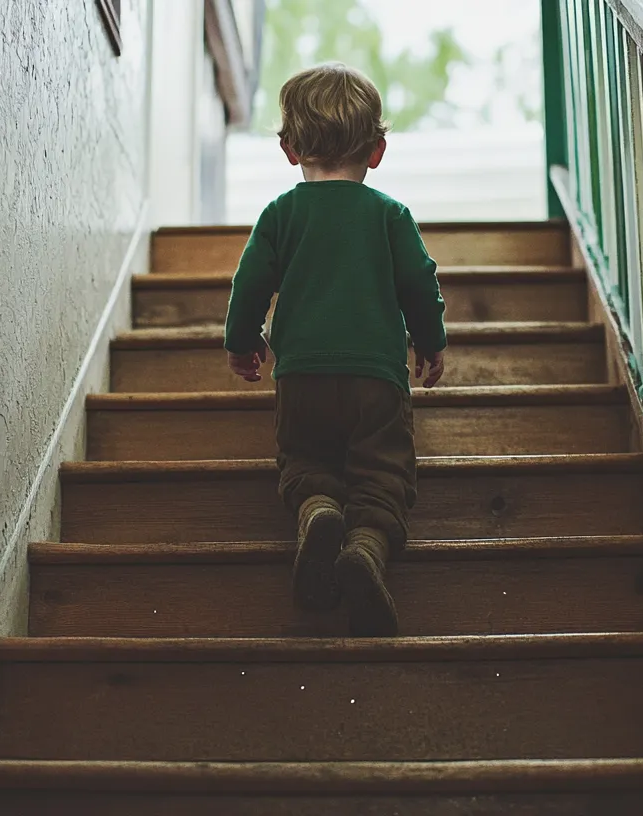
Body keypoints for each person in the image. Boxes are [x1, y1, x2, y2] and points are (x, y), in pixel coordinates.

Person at [223, 63, 447, 637]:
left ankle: (317, 508)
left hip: (301, 377)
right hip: (376, 379)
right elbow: (420, 280)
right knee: (384, 474)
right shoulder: (390, 215)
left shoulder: (280, 214)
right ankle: (367, 546)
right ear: (377, 150)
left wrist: (243, 343)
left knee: (304, 460)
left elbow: (249, 283)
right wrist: (429, 340)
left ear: (289, 148)